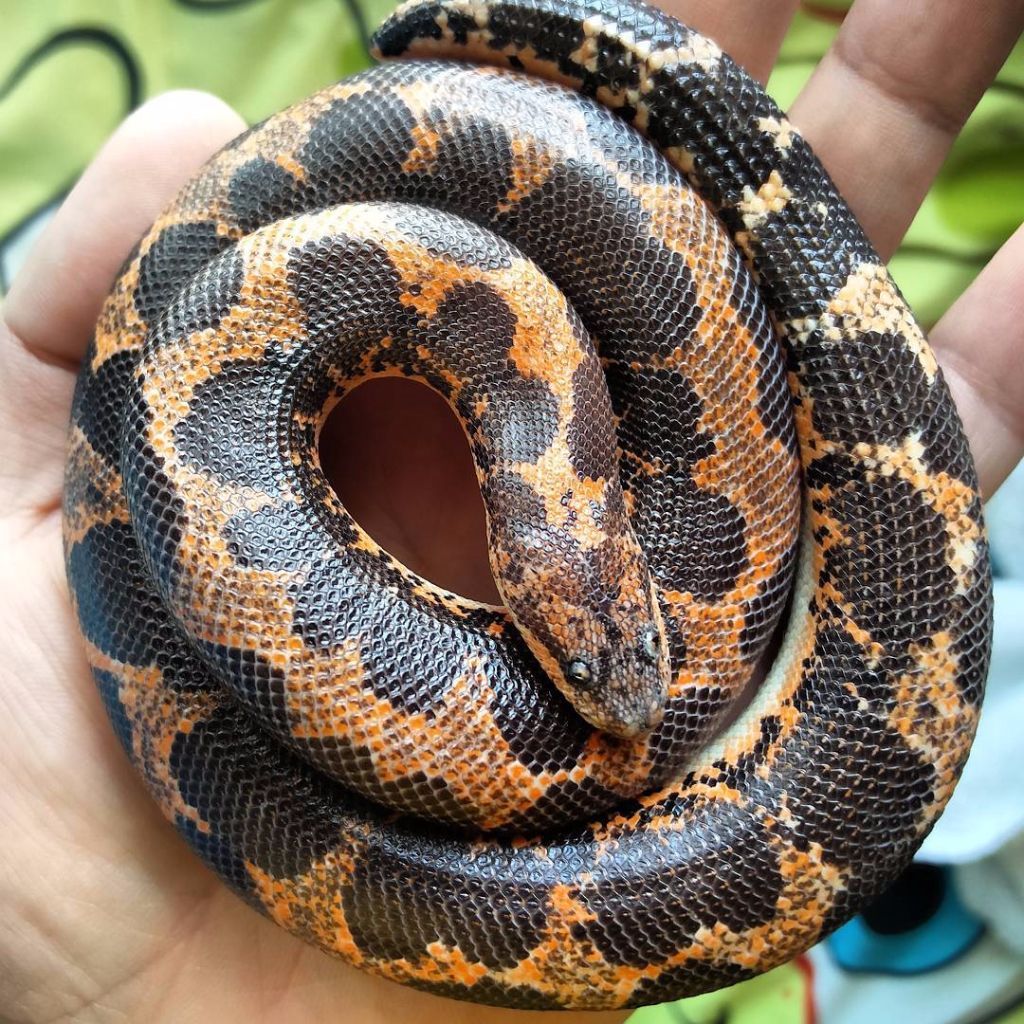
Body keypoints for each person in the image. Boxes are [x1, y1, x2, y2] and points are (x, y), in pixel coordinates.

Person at [1, 1, 1022, 1021]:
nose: (633, 710)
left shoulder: (562, 494)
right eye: (582, 667)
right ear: (514, 564)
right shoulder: (491, 442)